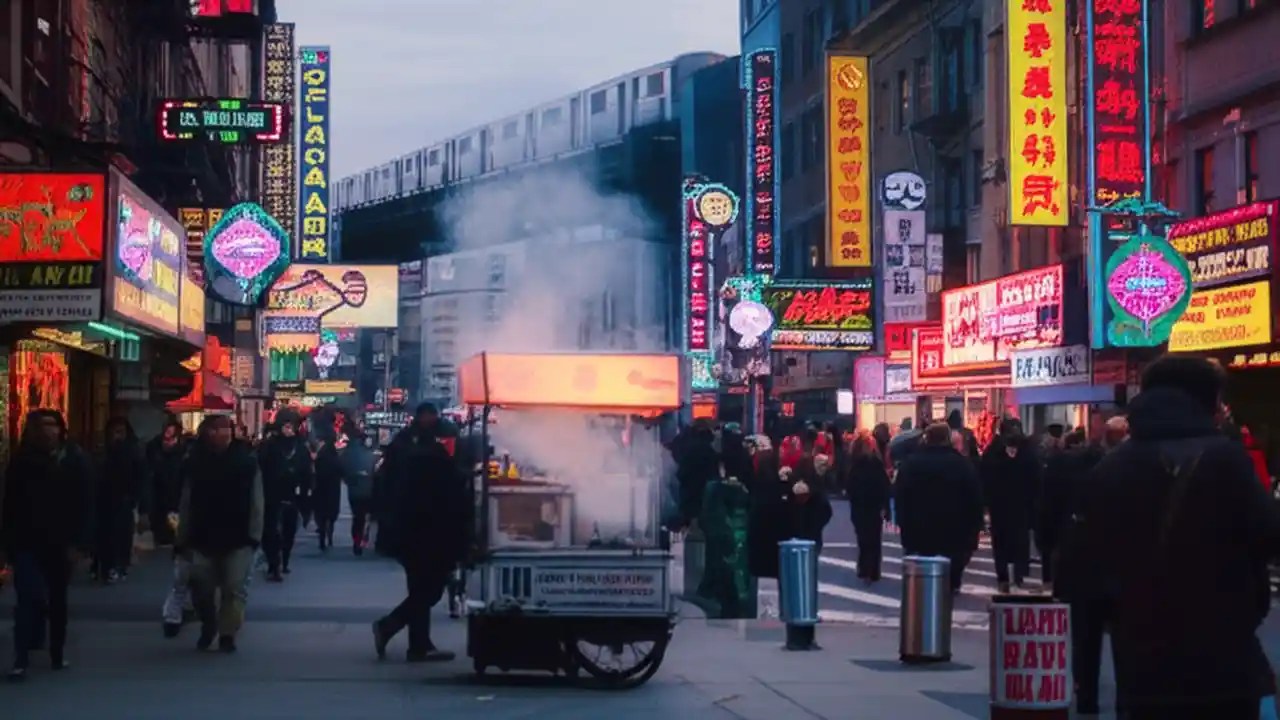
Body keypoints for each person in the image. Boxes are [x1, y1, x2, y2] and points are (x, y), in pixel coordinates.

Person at [1067, 356, 1280, 718]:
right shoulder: (1226, 460)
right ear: (1210, 402)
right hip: (1223, 664)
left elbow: (1085, 586)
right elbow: (1268, 538)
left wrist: (1086, 687)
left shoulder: (1110, 470)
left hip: (1141, 668)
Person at [1, 410, 94, 680]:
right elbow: (10, 505)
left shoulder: (73, 460)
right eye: (41, 426)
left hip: (61, 541)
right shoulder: (21, 461)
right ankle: (20, 658)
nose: (47, 431)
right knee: (27, 598)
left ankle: (56, 651)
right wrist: (7, 544)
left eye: (52, 425)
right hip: (27, 541)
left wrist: (80, 542)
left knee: (57, 601)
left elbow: (85, 503)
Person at [372, 409, 469, 662]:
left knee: (420, 587)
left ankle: (418, 644)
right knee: (430, 589)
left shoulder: (404, 446)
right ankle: (391, 626)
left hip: (404, 532)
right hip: (424, 535)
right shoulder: (433, 461)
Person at [177, 414, 265, 653]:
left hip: (238, 537)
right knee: (202, 586)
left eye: (226, 428)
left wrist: (255, 535)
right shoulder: (195, 461)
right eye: (217, 429)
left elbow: (257, 501)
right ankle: (209, 623)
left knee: (234, 588)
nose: (223, 433)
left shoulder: (246, 462)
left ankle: (228, 633)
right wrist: (182, 537)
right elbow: (187, 501)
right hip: (202, 534)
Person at [894, 423, 985, 593]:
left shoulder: (911, 464)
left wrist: (902, 522)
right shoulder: (961, 464)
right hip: (954, 529)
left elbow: (901, 496)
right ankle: (951, 587)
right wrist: (974, 528)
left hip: (919, 529)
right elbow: (974, 498)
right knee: (951, 572)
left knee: (922, 575)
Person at [981, 417, 1041, 592]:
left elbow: (1036, 481)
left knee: (1014, 542)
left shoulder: (1025, 453)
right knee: (1008, 542)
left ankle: (1014, 576)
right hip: (1006, 506)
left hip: (1013, 506)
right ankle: (1008, 577)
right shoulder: (999, 453)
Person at [258, 414, 312, 580]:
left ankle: (284, 560)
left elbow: (307, 472)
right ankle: (274, 563)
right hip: (272, 494)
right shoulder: (270, 446)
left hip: (292, 494)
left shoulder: (301, 447)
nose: (288, 429)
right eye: (285, 426)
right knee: (271, 531)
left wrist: (306, 492)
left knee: (289, 530)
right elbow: (261, 468)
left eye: (291, 426)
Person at [94, 417, 146, 584]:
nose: (117, 435)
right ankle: (105, 566)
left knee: (122, 536)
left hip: (124, 500)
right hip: (104, 500)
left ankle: (119, 566)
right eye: (114, 431)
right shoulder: (102, 451)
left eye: (121, 432)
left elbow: (140, 477)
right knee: (105, 536)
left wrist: (137, 500)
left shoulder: (132, 451)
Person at [844, 430, 890, 583]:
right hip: (874, 505)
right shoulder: (875, 463)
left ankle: (864, 567)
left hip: (859, 505)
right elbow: (884, 486)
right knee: (874, 538)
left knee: (862, 537)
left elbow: (849, 486)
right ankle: (873, 569)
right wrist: (885, 505)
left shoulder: (854, 464)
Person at [146, 418, 187, 547]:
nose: (167, 442)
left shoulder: (184, 456)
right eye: (165, 437)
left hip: (176, 505)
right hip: (158, 506)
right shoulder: (153, 451)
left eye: (171, 438)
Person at [341, 428, 377, 555]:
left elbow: (343, 471)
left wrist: (349, 479)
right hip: (368, 489)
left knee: (357, 517)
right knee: (367, 516)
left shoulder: (347, 453)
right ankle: (363, 538)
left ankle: (357, 540)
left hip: (354, 490)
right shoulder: (371, 454)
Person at [312, 434, 344, 552]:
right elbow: (341, 471)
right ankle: (329, 536)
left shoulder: (320, 458)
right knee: (331, 516)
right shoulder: (336, 459)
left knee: (321, 515)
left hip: (320, 489)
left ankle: (322, 537)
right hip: (333, 490)